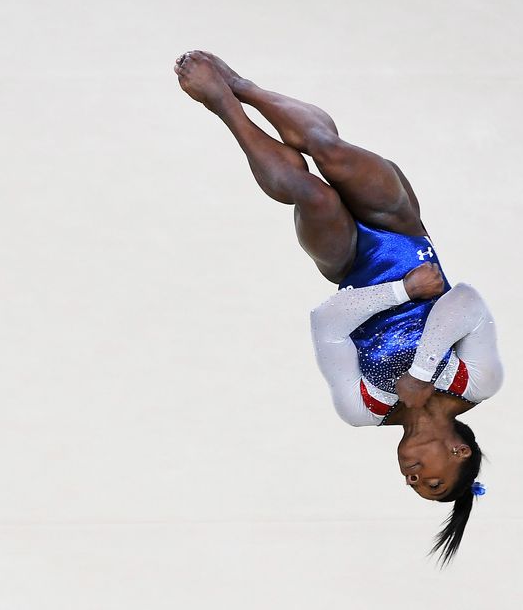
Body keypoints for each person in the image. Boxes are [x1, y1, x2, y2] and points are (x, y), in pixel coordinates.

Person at [174, 50, 504, 564]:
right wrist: (420, 371)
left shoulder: (364, 410)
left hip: (351, 268)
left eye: (413, 483)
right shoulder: (477, 383)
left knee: (315, 198)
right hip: (404, 234)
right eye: (433, 479)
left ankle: (226, 109)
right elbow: (465, 303)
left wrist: (400, 294)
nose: (413, 474)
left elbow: (326, 324)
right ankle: (244, 86)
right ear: (462, 452)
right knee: (330, 151)